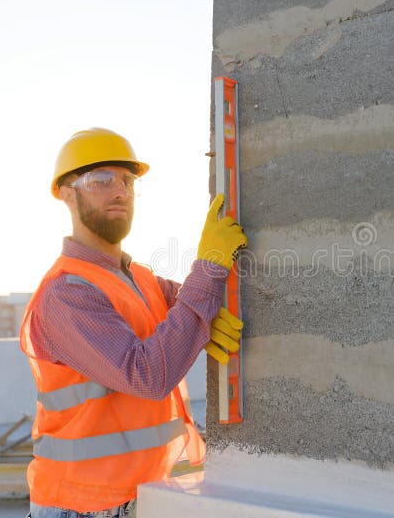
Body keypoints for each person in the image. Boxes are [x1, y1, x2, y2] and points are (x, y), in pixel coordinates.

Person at [20, 128, 247, 518]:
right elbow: (147, 376)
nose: (120, 191)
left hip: (141, 495)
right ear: (67, 193)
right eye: (101, 180)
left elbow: (197, 306)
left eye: (127, 180)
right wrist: (208, 266)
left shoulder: (139, 278)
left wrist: (205, 319)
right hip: (80, 506)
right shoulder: (66, 294)